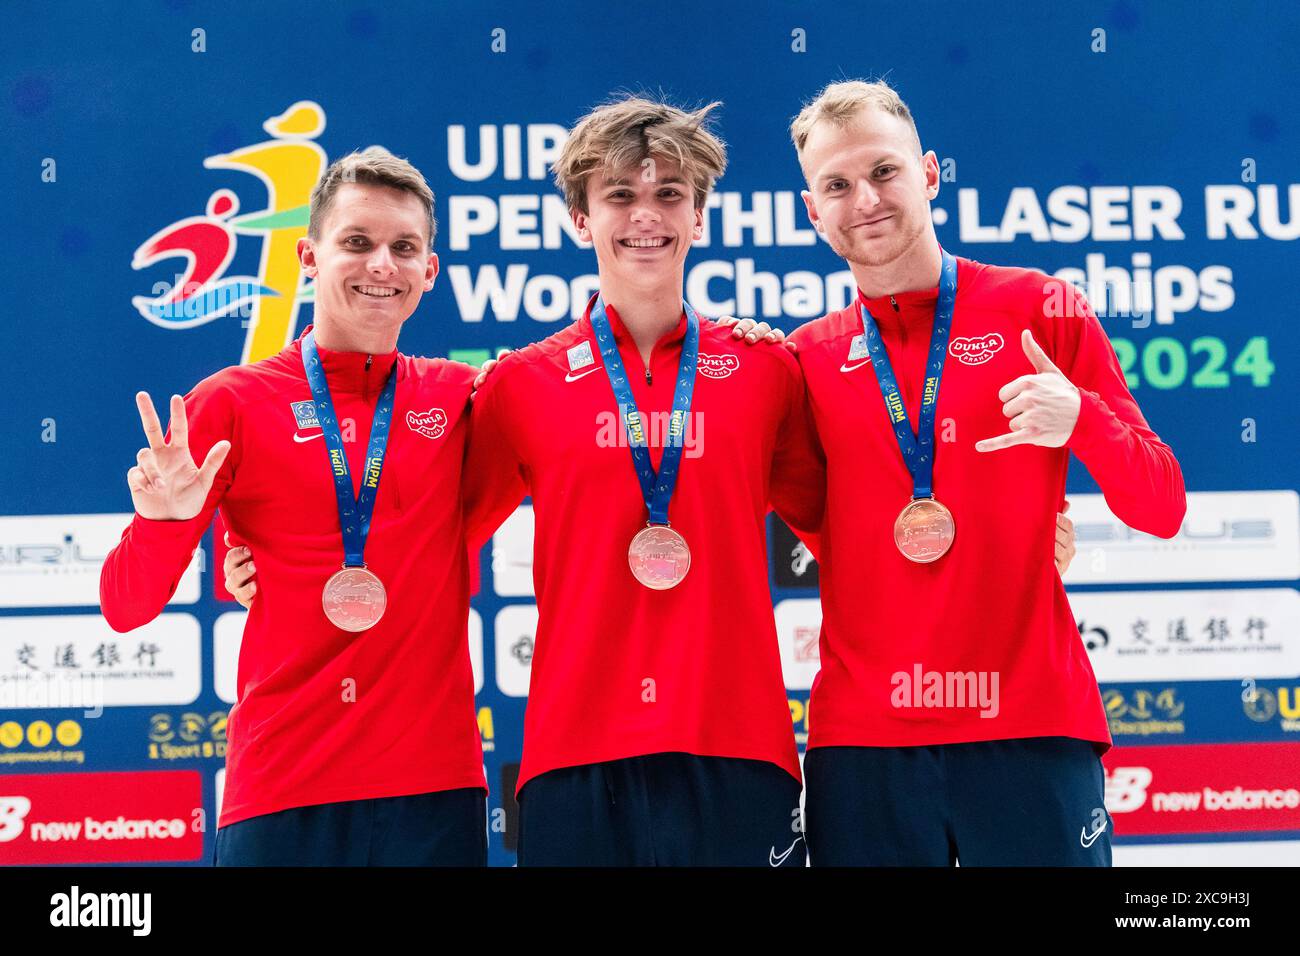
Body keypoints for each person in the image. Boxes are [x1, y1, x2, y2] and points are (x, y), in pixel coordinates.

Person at [786, 80, 1187, 866]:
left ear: (930, 173)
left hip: (1031, 728)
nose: (864, 199)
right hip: (866, 746)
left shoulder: (1043, 309)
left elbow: (1162, 505)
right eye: (836, 185)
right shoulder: (803, 359)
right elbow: (820, 524)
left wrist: (1083, 420)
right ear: (813, 211)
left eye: (885, 171)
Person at [99, 147, 489, 866]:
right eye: (357, 242)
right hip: (281, 786)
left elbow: (584, 389)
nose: (382, 265)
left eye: (404, 248)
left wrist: (752, 342)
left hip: (434, 793)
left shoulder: (462, 397)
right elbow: (126, 607)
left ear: (430, 272)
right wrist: (163, 522)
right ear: (309, 256)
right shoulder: (232, 402)